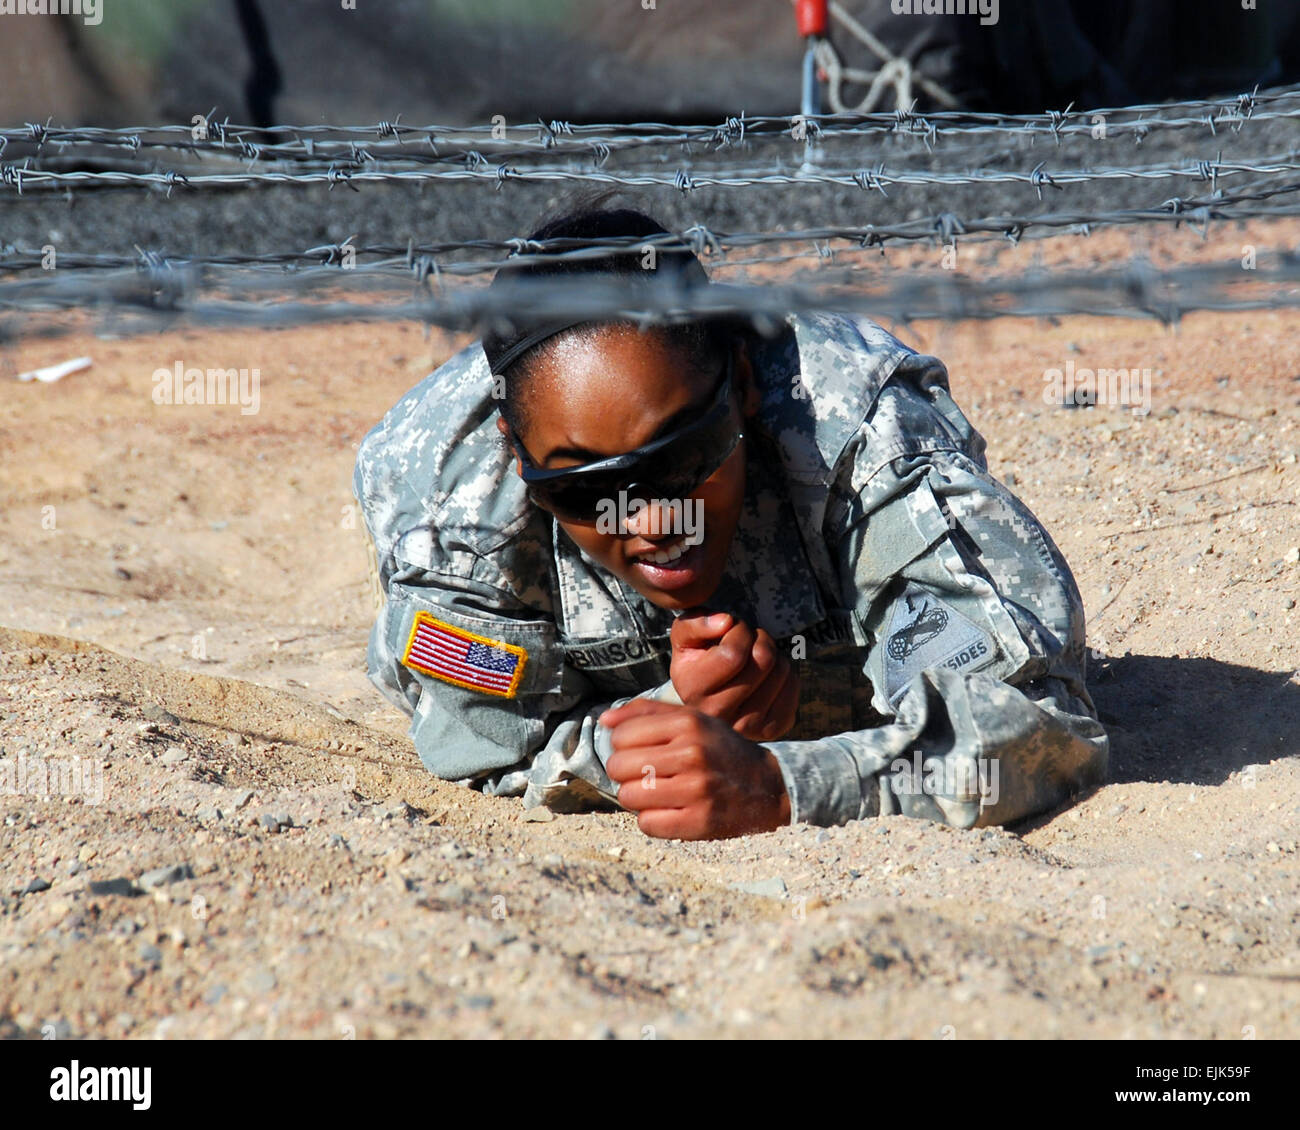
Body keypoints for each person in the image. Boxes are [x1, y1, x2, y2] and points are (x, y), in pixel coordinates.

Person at [353, 200, 1107, 840]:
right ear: (519, 456)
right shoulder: (449, 503)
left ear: (741, 386)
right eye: (588, 489)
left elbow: (1039, 724)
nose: (652, 520)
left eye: (681, 460)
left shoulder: (855, 431)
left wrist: (782, 785)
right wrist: (673, 720)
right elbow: (486, 747)